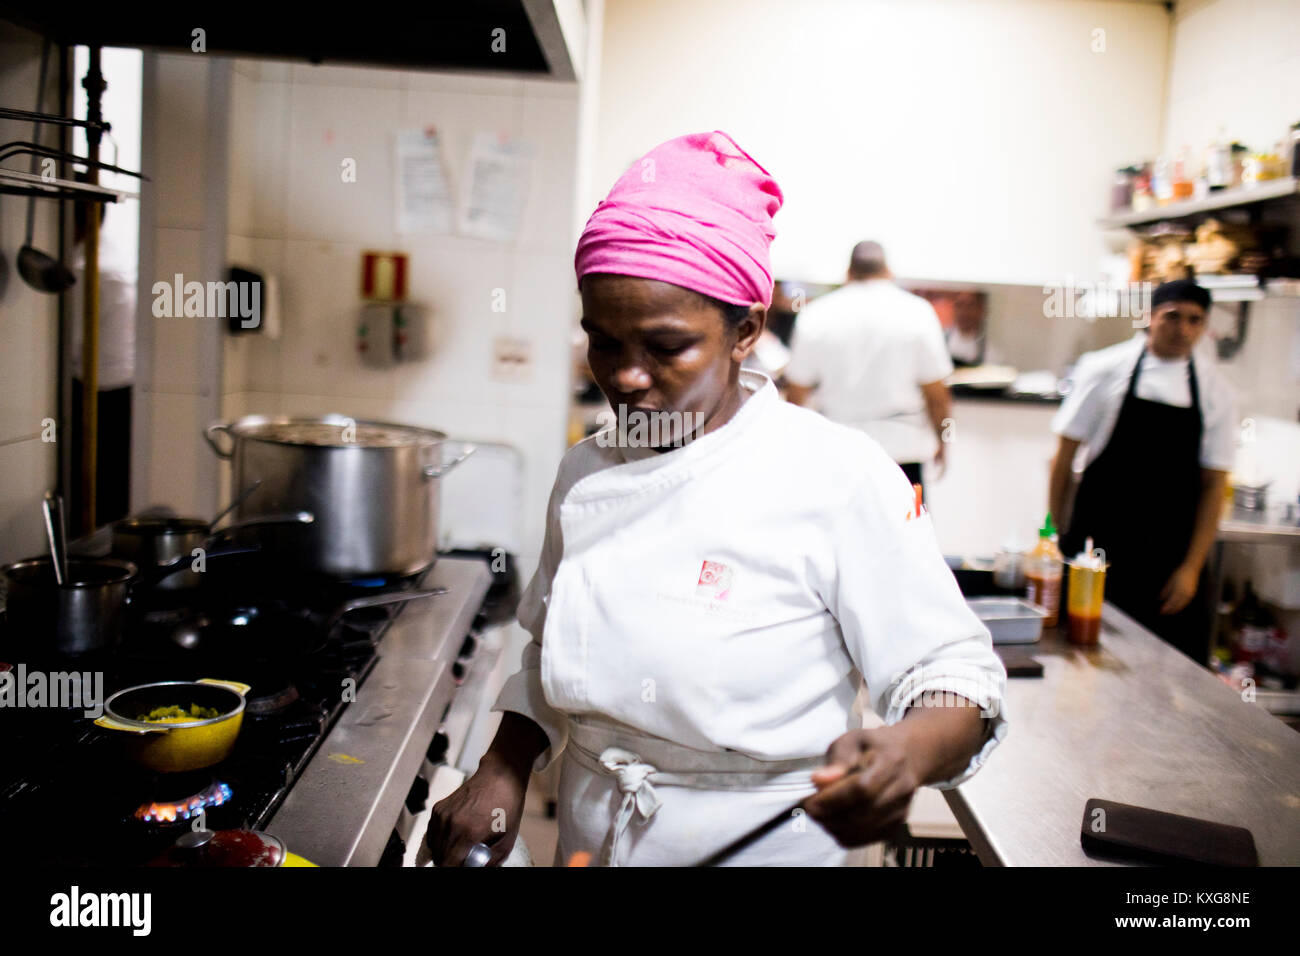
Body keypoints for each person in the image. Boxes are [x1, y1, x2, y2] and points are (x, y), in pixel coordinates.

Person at [425, 131, 1007, 867]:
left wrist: (908, 751)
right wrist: (501, 767)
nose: (627, 377)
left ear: (746, 331)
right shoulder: (586, 470)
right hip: (594, 830)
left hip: (764, 841)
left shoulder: (837, 474)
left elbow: (953, 672)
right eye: (603, 343)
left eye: (665, 348)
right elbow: (552, 648)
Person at [1048, 279, 1237, 665]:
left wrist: (1191, 568)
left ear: (1204, 326)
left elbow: (1214, 484)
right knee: (1083, 654)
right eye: (1172, 317)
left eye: (1194, 320)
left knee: (1170, 666)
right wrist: (1054, 533)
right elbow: (1063, 458)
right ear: (1149, 317)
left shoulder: (1217, 391)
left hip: (1169, 553)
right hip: (1097, 542)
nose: (1183, 329)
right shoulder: (1103, 369)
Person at [783, 241, 954, 500]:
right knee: (906, 535)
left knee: (838, 537)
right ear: (888, 271)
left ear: (848, 273)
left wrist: (794, 446)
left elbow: (796, 392)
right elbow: (936, 391)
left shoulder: (816, 315)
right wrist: (943, 439)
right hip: (902, 453)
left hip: (837, 451)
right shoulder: (917, 313)